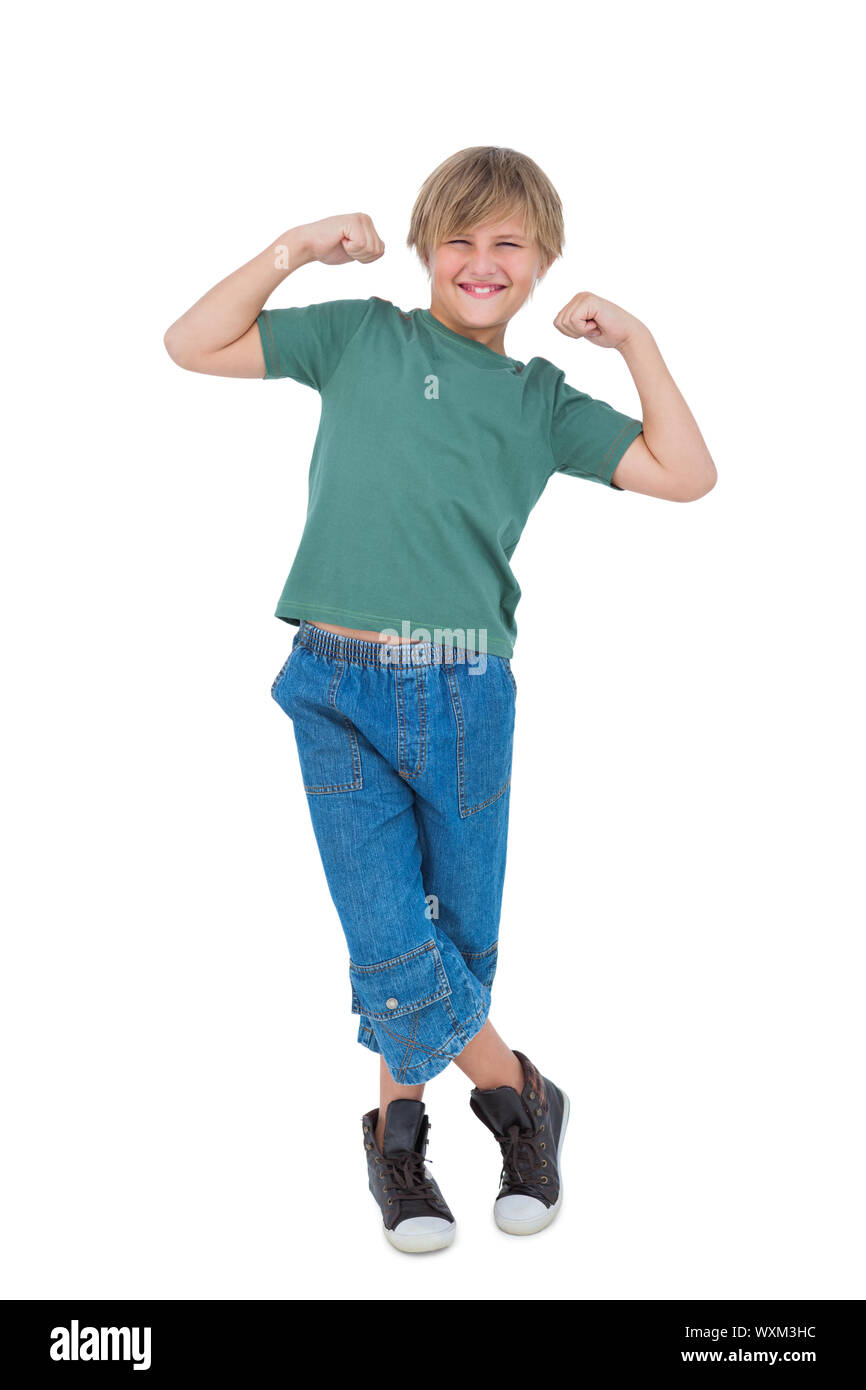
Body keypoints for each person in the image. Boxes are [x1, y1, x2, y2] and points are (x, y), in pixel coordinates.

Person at [164, 146, 717, 1255]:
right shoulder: (362, 335)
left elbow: (683, 471)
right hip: (332, 682)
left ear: (542, 262)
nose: (480, 261)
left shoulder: (541, 401)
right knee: (387, 940)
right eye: (457, 239)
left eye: (507, 242)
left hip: (464, 688)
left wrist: (640, 344)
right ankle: (519, 1094)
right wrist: (299, 245)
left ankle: (399, 1130)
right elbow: (193, 343)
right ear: (424, 251)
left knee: (451, 939)